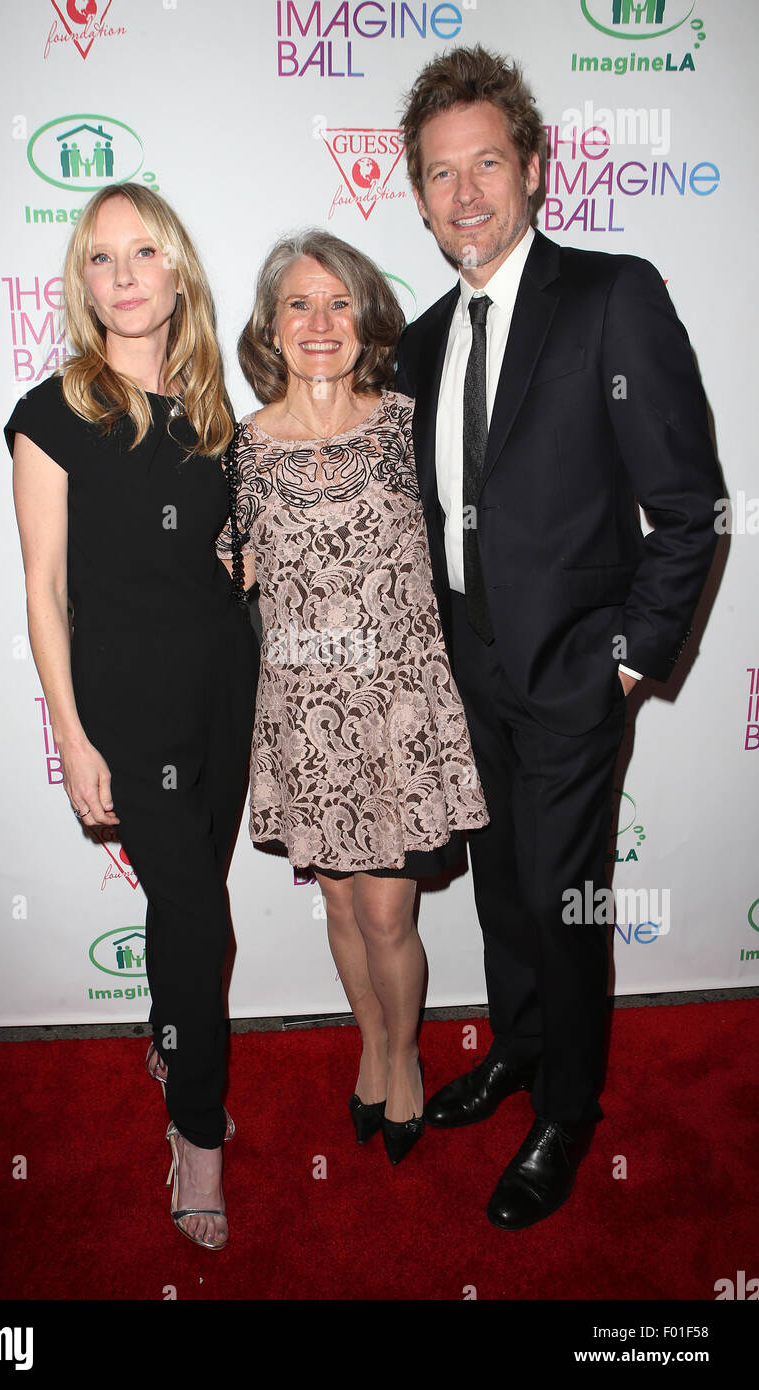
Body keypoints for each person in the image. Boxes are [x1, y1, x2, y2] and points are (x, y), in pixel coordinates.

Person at [396, 45, 722, 1228]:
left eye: (488, 162)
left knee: (566, 899)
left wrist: (630, 659)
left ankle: (568, 1110)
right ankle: (521, 1052)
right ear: (420, 195)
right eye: (441, 173)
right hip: (465, 678)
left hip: (576, 675)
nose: (466, 193)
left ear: (535, 169)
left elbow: (690, 506)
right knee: (502, 894)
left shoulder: (609, 295)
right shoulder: (424, 342)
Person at [6, 183, 258, 1250]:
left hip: (224, 690)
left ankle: (170, 1027)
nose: (124, 274)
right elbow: (43, 586)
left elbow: (222, 560)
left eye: (143, 251)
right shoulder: (53, 411)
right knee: (203, 921)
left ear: (176, 272)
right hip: (129, 710)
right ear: (85, 283)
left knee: (188, 898)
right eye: (102, 257)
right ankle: (195, 1131)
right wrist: (70, 733)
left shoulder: (216, 419)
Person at [219, 230, 487, 1165]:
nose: (319, 322)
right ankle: (371, 1047)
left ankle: (404, 1056)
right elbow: (221, 570)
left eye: (337, 303)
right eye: (298, 304)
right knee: (338, 911)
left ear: (366, 318)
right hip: (302, 715)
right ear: (269, 327)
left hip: (399, 714)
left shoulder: (409, 425)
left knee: (387, 914)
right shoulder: (241, 450)